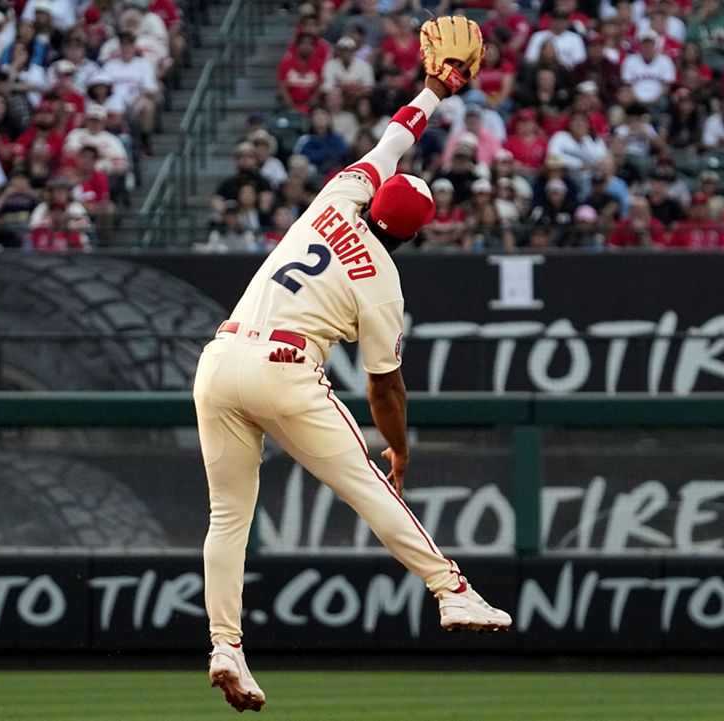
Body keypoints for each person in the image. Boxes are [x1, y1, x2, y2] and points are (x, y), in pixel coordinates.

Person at [198, 18, 510, 714]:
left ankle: (226, 646)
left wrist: (434, 90)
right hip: (284, 368)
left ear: (379, 195)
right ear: (415, 231)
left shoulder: (337, 194)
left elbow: (395, 135)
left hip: (221, 357)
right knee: (372, 489)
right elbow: (384, 384)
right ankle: (452, 589)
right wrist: (398, 447)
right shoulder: (384, 284)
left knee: (227, 518)